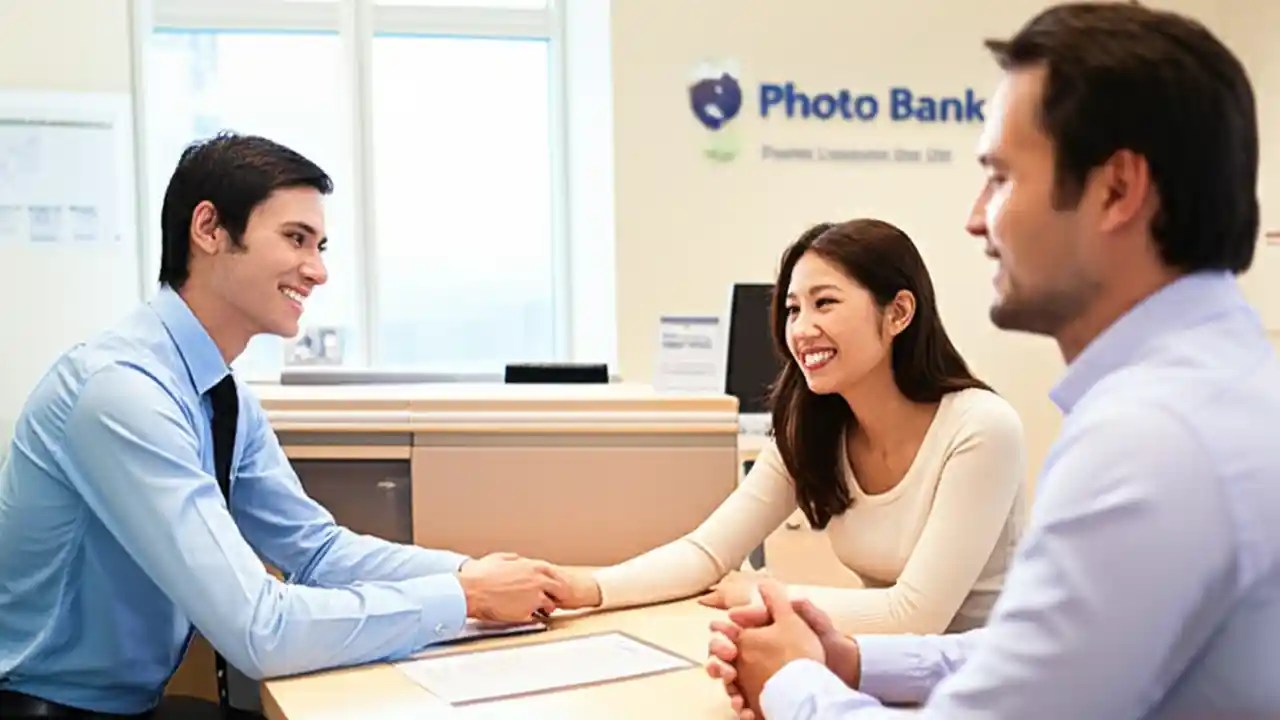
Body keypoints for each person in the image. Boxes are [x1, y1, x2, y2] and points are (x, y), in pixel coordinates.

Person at [707, 3, 1280, 719]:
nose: (977, 217)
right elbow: (1045, 648)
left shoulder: (1154, 440)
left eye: (1001, 178)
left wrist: (794, 681)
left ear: (1116, 190)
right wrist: (852, 660)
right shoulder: (1209, 392)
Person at [0, 133, 568, 719]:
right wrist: (464, 596)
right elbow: (260, 631)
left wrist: (471, 573)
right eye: (296, 239)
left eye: (321, 246)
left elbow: (316, 550)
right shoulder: (121, 393)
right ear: (210, 229)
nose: (318, 272)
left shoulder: (219, 394)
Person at [551, 218, 1027, 637]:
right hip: (883, 671)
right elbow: (708, 553)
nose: (799, 329)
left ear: (899, 313)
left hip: (990, 684)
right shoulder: (812, 428)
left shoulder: (981, 427)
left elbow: (913, 616)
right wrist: (587, 588)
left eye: (825, 303)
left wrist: (765, 593)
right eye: (793, 308)